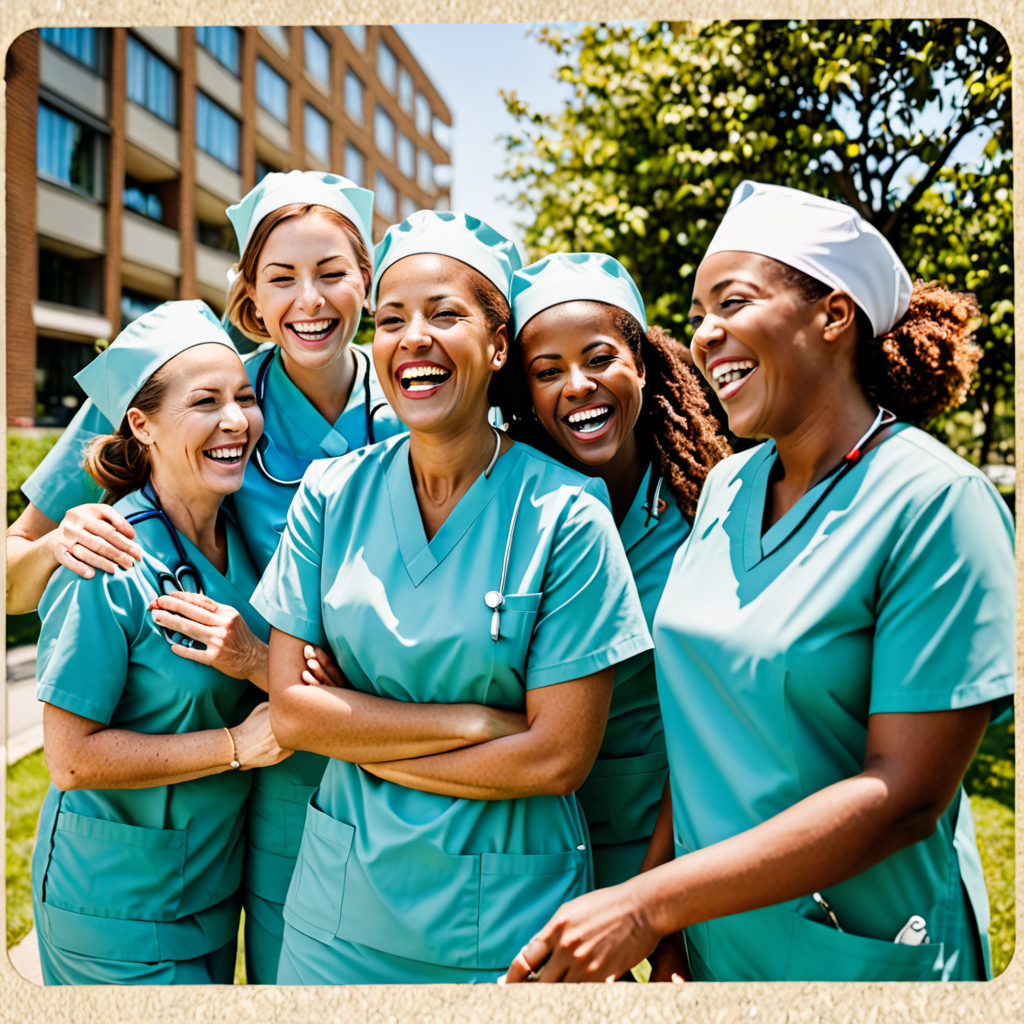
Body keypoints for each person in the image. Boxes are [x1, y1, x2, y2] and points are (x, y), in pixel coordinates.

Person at [502, 181, 1014, 984]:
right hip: (716, 944)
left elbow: (907, 794)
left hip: (861, 958)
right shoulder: (726, 489)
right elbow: (700, 730)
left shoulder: (936, 503)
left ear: (834, 315)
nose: (706, 333)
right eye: (699, 312)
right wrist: (674, 924)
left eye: (733, 303)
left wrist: (648, 904)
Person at [8, 172, 407, 982]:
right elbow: (16, 573)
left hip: (388, 765)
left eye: (332, 271)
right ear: (250, 296)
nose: (309, 300)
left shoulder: (419, 402)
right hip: (264, 790)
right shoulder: (189, 377)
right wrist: (57, 544)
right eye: (281, 277)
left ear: (366, 280)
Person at [253, 211, 653, 984]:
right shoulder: (330, 495)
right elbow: (294, 713)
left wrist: (358, 733)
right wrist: (477, 723)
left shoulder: (568, 513)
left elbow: (557, 758)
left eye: (444, 315)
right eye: (391, 320)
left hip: (509, 928)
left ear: (499, 346)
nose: (414, 338)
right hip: (338, 922)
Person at [30, 301, 291, 985]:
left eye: (244, 398)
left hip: (210, 893)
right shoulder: (107, 560)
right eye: (205, 402)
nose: (236, 420)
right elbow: (70, 760)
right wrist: (238, 746)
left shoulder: (243, 538)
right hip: (113, 904)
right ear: (141, 426)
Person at [499, 252, 729, 896]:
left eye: (599, 359)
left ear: (644, 367)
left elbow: (720, 714)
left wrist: (658, 896)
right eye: (548, 371)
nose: (577, 385)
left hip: (679, 837)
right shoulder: (506, 508)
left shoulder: (710, 504)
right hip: (529, 841)